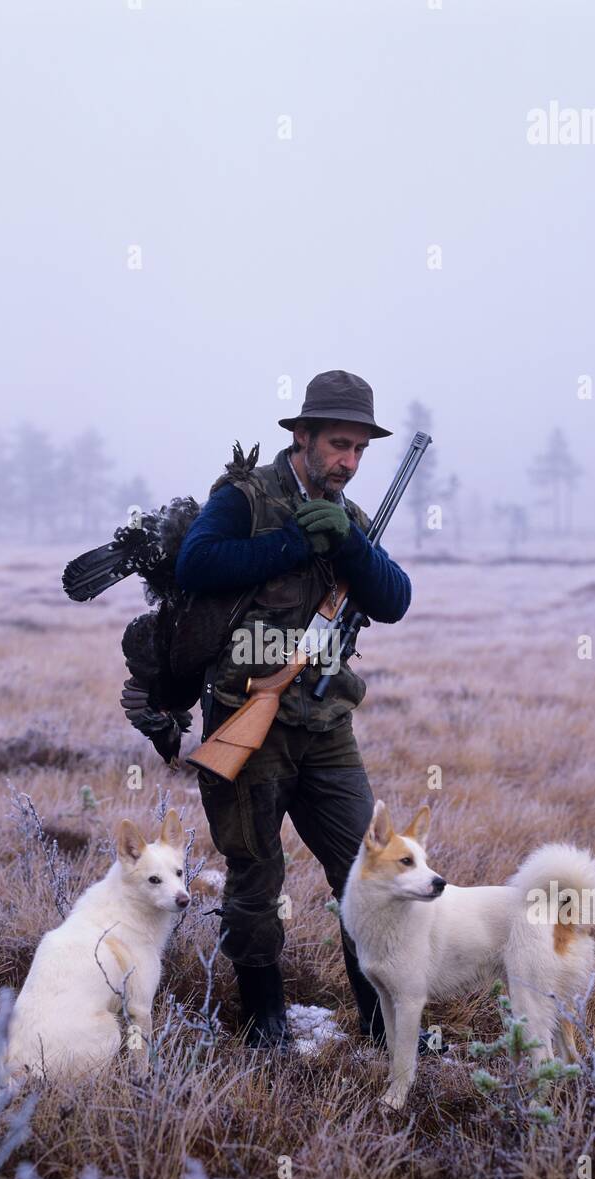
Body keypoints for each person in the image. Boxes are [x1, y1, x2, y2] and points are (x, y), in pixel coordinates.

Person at [175, 369, 413, 1047]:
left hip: (327, 726)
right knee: (255, 874)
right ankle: (264, 1023)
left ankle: (382, 1022)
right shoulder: (245, 498)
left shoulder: (349, 518)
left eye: (359, 450)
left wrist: (343, 540)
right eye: (338, 444)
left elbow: (393, 600)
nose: (349, 460)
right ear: (301, 436)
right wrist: (292, 544)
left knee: (372, 873)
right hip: (246, 721)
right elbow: (197, 564)